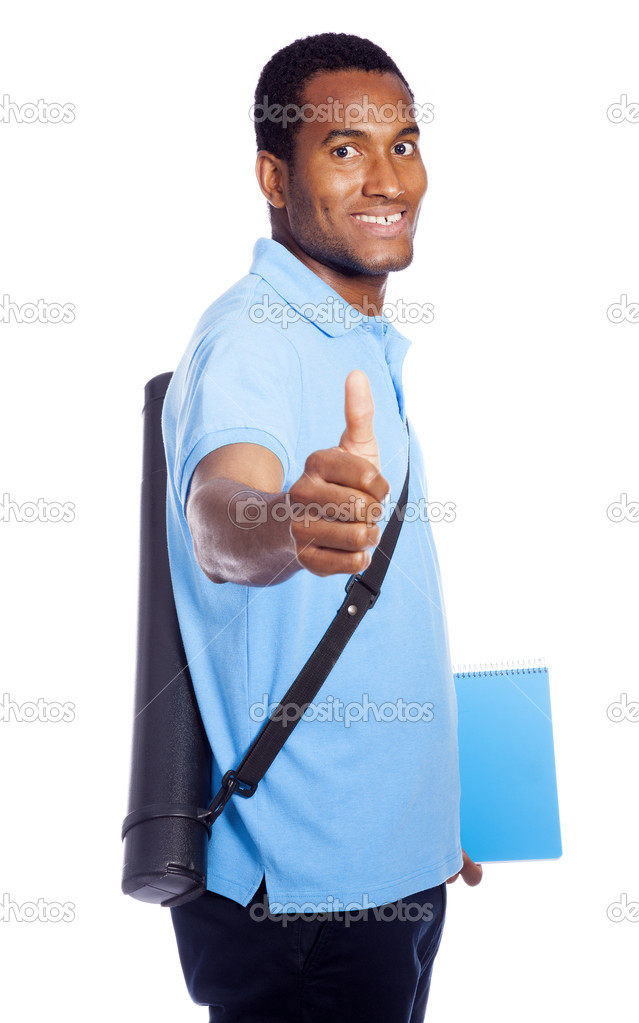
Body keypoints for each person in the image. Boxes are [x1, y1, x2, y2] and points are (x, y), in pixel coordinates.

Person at [162, 31, 482, 1023]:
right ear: (273, 174)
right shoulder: (254, 334)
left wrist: (428, 818)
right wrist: (286, 524)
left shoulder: (349, 335)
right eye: (344, 150)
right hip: (303, 904)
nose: (388, 177)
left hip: (391, 871)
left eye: (404, 143)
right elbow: (222, 518)